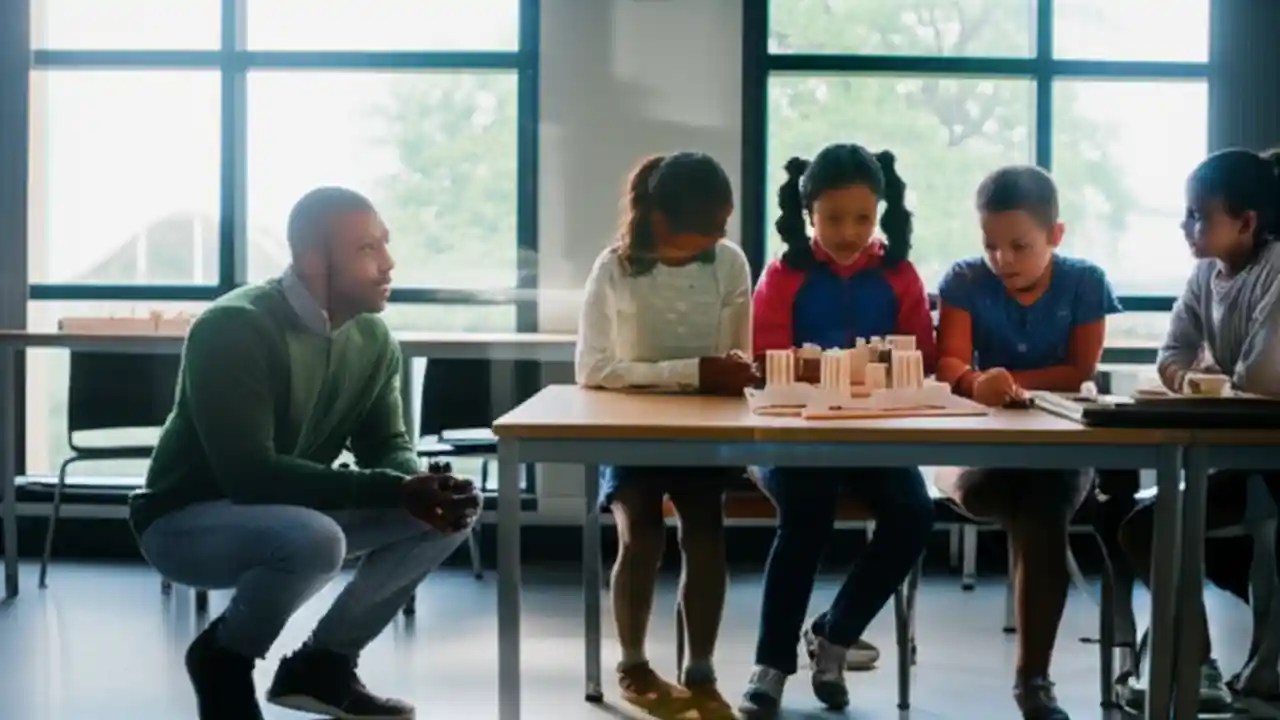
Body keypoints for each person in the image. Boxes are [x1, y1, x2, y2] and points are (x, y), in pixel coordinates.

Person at [129, 187, 482, 720]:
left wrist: (421, 489)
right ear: (312, 259)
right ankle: (223, 658)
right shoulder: (234, 327)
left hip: (289, 515)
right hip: (184, 522)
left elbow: (386, 445)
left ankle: (324, 665)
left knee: (449, 517)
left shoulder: (373, 338)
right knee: (316, 538)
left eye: (385, 244)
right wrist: (395, 489)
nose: (389, 263)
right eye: (367, 248)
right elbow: (249, 475)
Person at [740, 145, 936, 719]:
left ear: (880, 213)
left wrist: (856, 371)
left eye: (862, 218)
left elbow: (922, 358)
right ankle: (771, 665)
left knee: (914, 514)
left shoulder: (899, 275)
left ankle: (835, 634)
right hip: (796, 434)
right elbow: (765, 358)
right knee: (807, 514)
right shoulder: (784, 275)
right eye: (832, 219)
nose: (848, 232)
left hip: (876, 436)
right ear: (809, 215)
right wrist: (842, 368)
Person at [934, 165, 1122, 720]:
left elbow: (1080, 369)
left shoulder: (1085, 282)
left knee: (1041, 507)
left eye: (1020, 246)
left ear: (1055, 235)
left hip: (1056, 451)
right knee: (1028, 506)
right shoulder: (965, 280)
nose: (1003, 260)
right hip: (980, 451)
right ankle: (1034, 682)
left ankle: (1032, 678)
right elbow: (949, 364)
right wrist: (975, 383)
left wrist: (1006, 382)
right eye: (991, 245)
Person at [575, 152, 754, 720]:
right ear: (661, 222)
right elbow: (593, 369)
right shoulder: (615, 268)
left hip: (702, 428)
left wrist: (710, 375)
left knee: (706, 534)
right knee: (642, 535)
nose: (719, 236)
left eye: (724, 223)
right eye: (708, 227)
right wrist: (691, 372)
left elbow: (733, 362)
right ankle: (632, 664)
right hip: (630, 428)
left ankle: (700, 671)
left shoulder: (728, 264)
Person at [1119, 147, 1280, 711]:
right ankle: (1195, 662)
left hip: (1270, 460)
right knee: (1144, 527)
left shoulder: (1276, 268)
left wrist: (1206, 376)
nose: (1185, 226)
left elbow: (1264, 378)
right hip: (1242, 455)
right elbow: (1172, 356)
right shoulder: (1204, 276)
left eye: (1197, 215)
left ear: (1246, 222)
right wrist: (1196, 377)